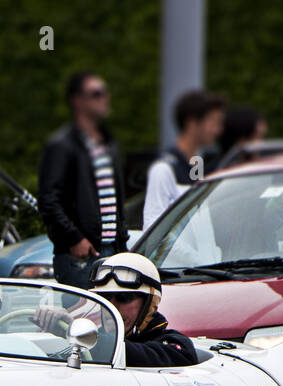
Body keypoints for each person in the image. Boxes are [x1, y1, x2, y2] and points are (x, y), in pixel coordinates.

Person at [38, 71, 129, 288]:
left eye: (105, 93)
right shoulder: (62, 146)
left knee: (111, 320)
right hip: (81, 256)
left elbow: (116, 198)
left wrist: (121, 241)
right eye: (96, 93)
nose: (104, 98)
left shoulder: (108, 144)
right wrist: (73, 239)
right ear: (77, 100)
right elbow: (48, 200)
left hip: (113, 251)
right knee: (79, 319)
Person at [89, 253, 195, 367]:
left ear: (149, 304)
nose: (112, 306)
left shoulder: (175, 345)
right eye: (105, 298)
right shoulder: (88, 338)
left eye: (124, 297)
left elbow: (173, 356)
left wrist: (95, 343)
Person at [143, 89, 226, 230]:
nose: (217, 130)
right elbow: (152, 227)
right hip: (178, 253)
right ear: (192, 123)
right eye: (212, 122)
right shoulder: (163, 168)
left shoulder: (197, 163)